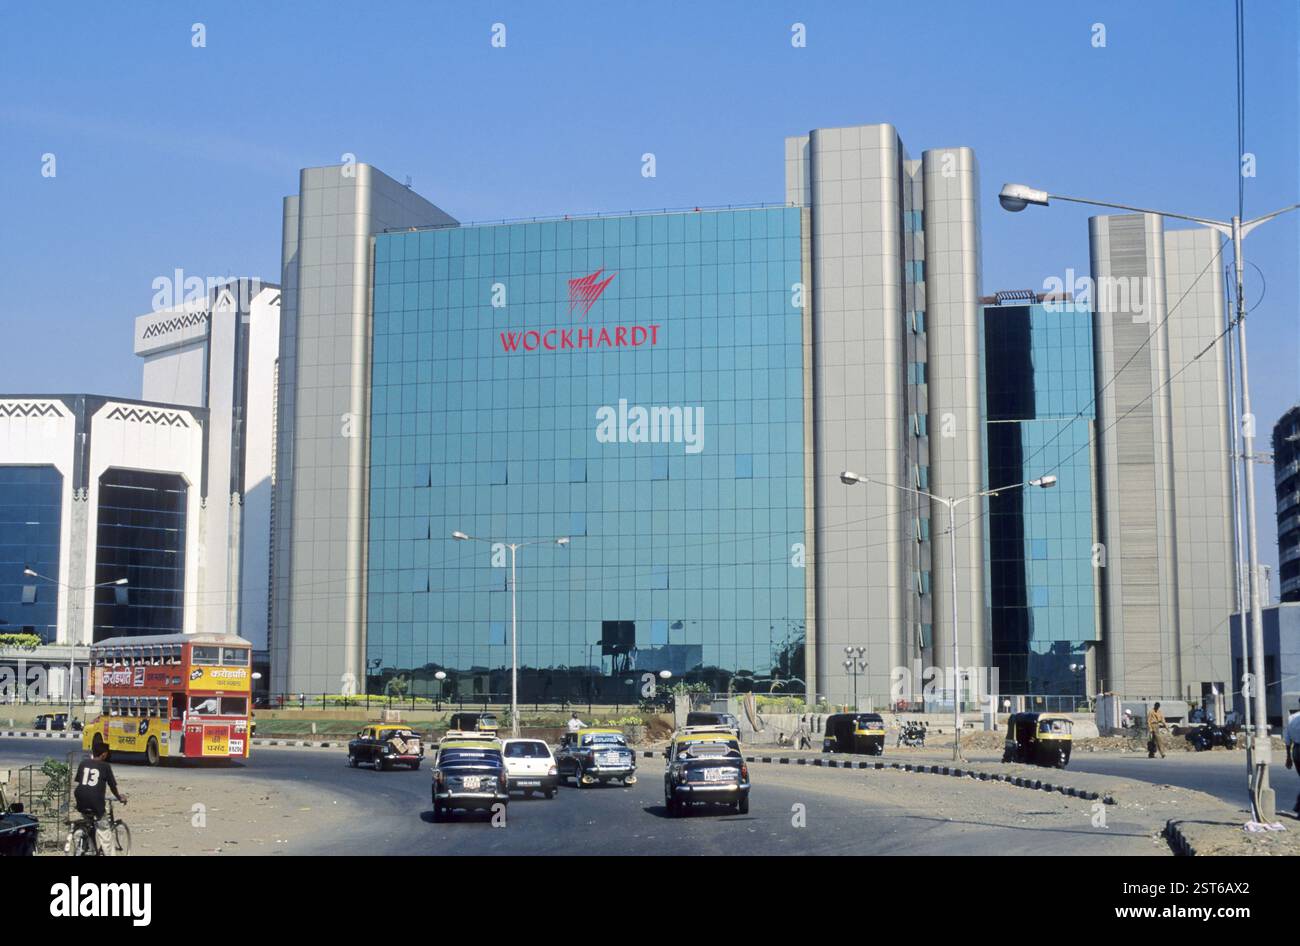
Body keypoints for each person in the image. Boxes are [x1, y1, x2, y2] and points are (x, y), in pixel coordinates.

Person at [72, 746, 127, 855]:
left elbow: (80, 781)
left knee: (89, 821)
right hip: (95, 801)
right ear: (103, 754)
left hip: (80, 798)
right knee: (104, 831)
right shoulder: (105, 766)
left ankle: (89, 845)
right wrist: (119, 797)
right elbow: (112, 786)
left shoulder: (83, 763)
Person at [1285, 704, 1300, 815]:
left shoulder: (1292, 718)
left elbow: (1287, 739)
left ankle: (1298, 806)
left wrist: (1288, 757)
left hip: (1296, 751)